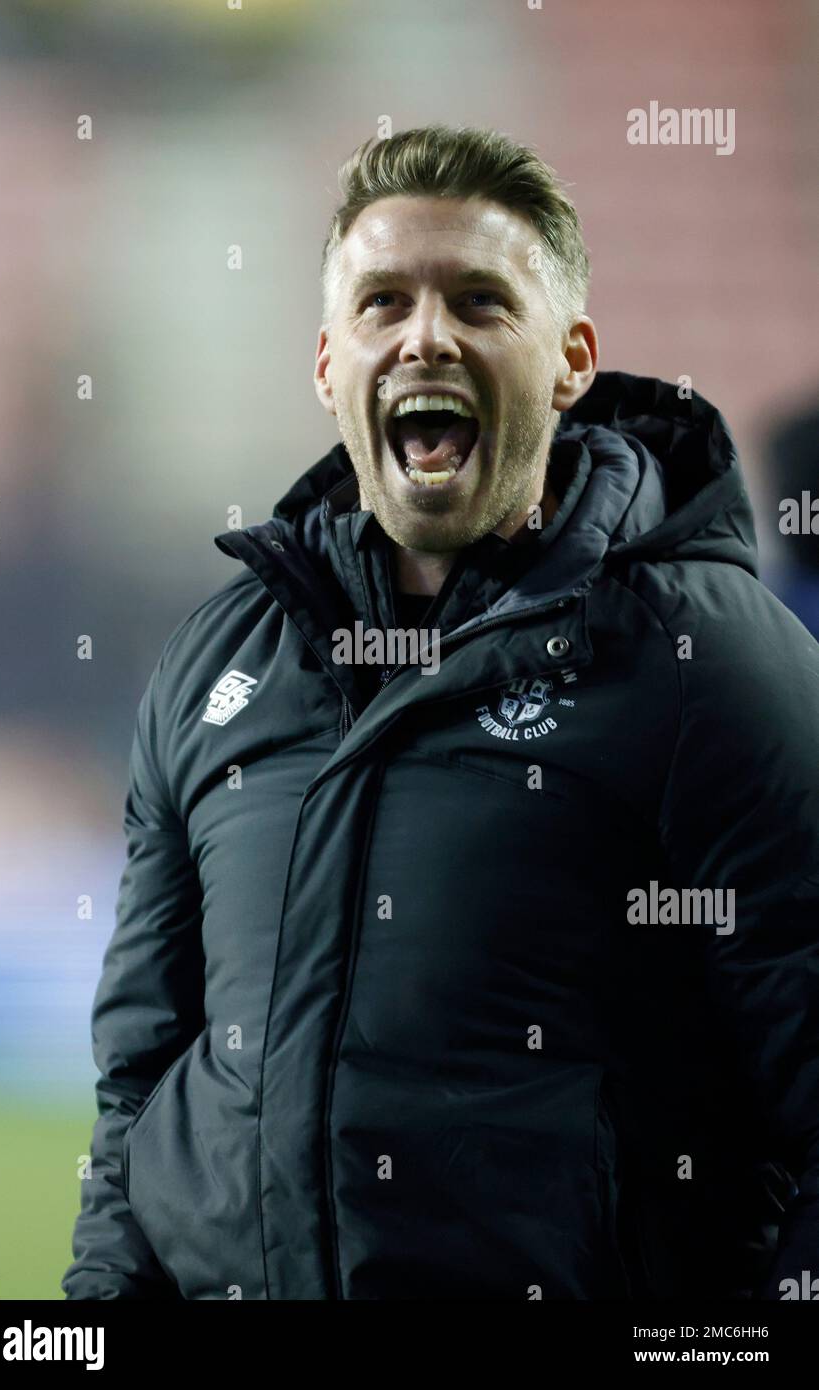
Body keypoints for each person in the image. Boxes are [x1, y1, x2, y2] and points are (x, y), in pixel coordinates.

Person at [63, 125, 819, 1301]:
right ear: (328, 365)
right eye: (382, 303)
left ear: (570, 360)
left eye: (478, 300)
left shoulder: (708, 662)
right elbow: (140, 1088)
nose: (426, 335)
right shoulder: (214, 664)